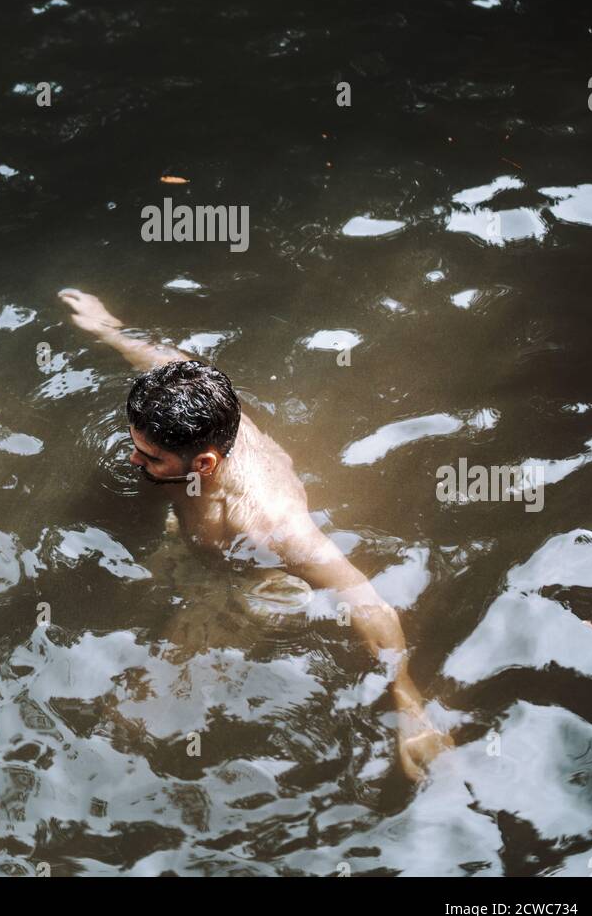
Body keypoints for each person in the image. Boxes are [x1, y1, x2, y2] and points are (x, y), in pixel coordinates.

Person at [59, 287, 455, 782]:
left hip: (248, 578)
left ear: (204, 462)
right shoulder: (205, 407)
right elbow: (164, 359)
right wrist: (106, 326)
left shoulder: (271, 525)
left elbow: (366, 600)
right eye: (136, 444)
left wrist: (408, 703)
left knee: (138, 712)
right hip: (195, 527)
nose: (133, 460)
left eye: (150, 456)